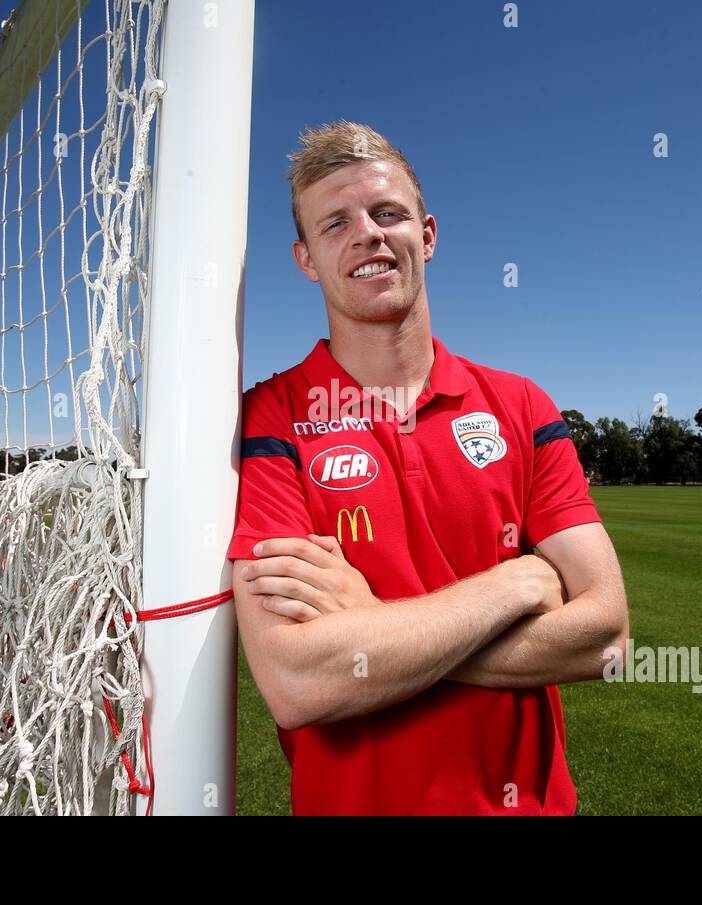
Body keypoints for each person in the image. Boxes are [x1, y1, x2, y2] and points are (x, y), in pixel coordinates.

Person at [226, 120, 629, 815]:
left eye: (389, 214)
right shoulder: (269, 418)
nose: (368, 234)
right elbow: (294, 680)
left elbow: (606, 637)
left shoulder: (522, 405)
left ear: (429, 234)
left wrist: (375, 626)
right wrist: (517, 582)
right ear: (306, 260)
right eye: (336, 223)